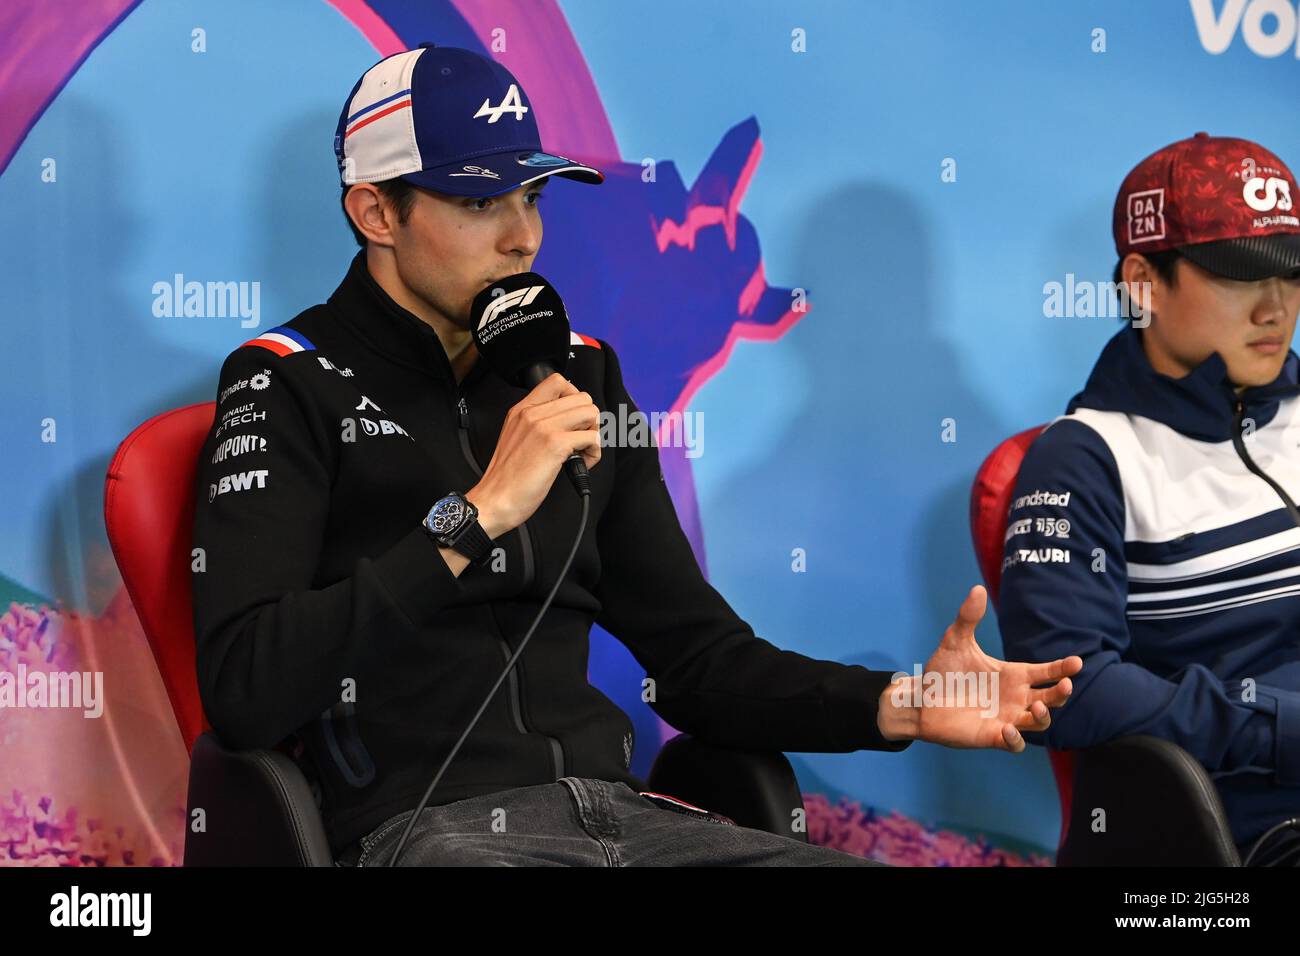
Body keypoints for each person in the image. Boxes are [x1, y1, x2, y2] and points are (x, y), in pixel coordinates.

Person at [190, 42, 1079, 867]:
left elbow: (697, 660)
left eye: (531, 197)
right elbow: (247, 689)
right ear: (375, 210)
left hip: (622, 820)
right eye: (477, 203)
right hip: (433, 837)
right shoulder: (286, 384)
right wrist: (474, 516)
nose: (523, 238)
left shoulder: (581, 373)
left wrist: (903, 705)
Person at [998, 132, 1300, 866]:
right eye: (1239, 276)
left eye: (1291, 273)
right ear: (1143, 282)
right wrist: (1284, 728)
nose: (1274, 307)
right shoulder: (1081, 459)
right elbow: (1068, 690)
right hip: (1238, 841)